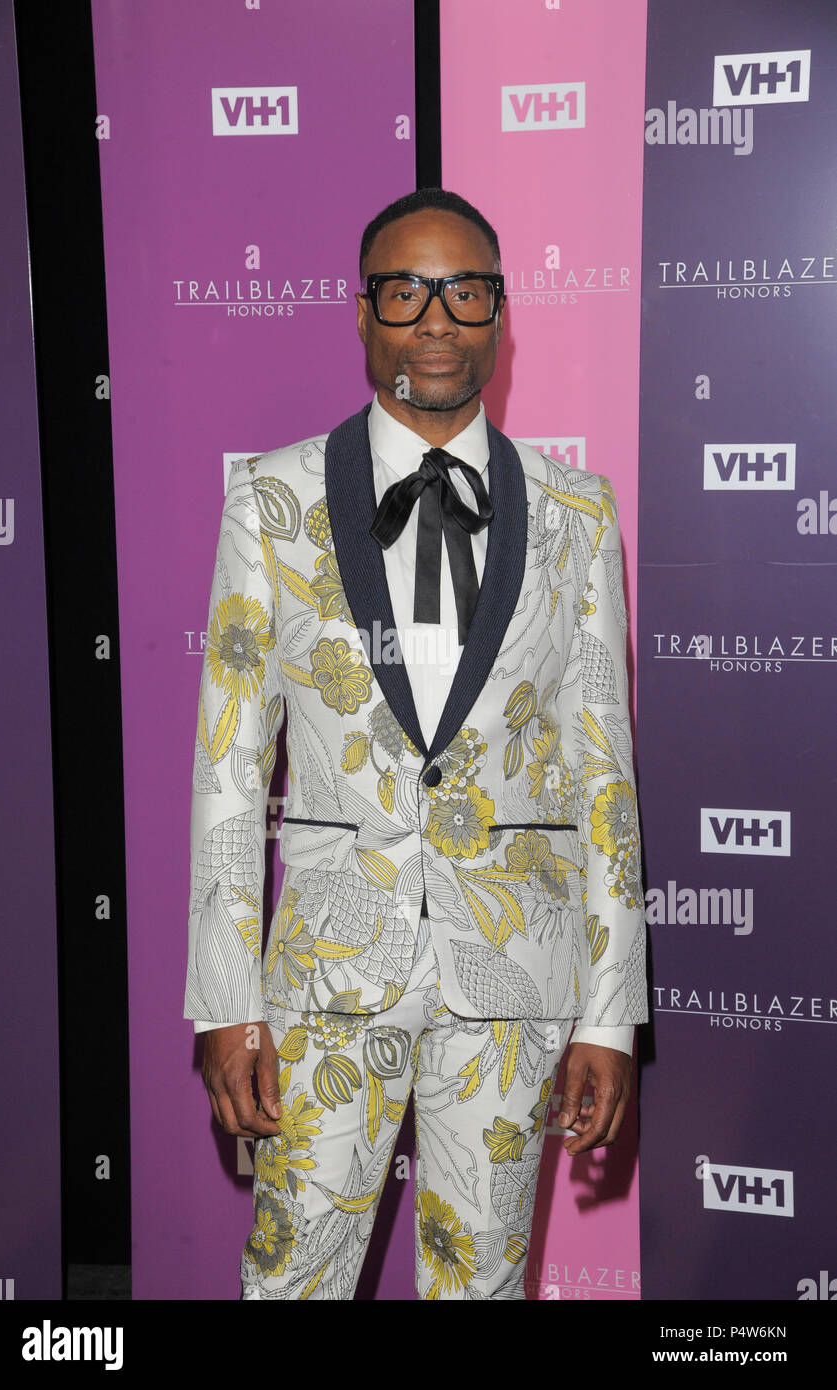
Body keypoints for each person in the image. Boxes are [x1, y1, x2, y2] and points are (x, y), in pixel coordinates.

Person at [185, 187, 647, 1300]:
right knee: (292, 1276)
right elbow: (231, 765)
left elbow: (604, 774)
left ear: (500, 314)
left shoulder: (579, 513)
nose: (436, 316)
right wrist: (224, 998)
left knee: (482, 1283)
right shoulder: (273, 499)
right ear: (361, 314)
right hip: (327, 982)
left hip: (515, 982)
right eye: (406, 289)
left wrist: (611, 1013)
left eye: (466, 289)